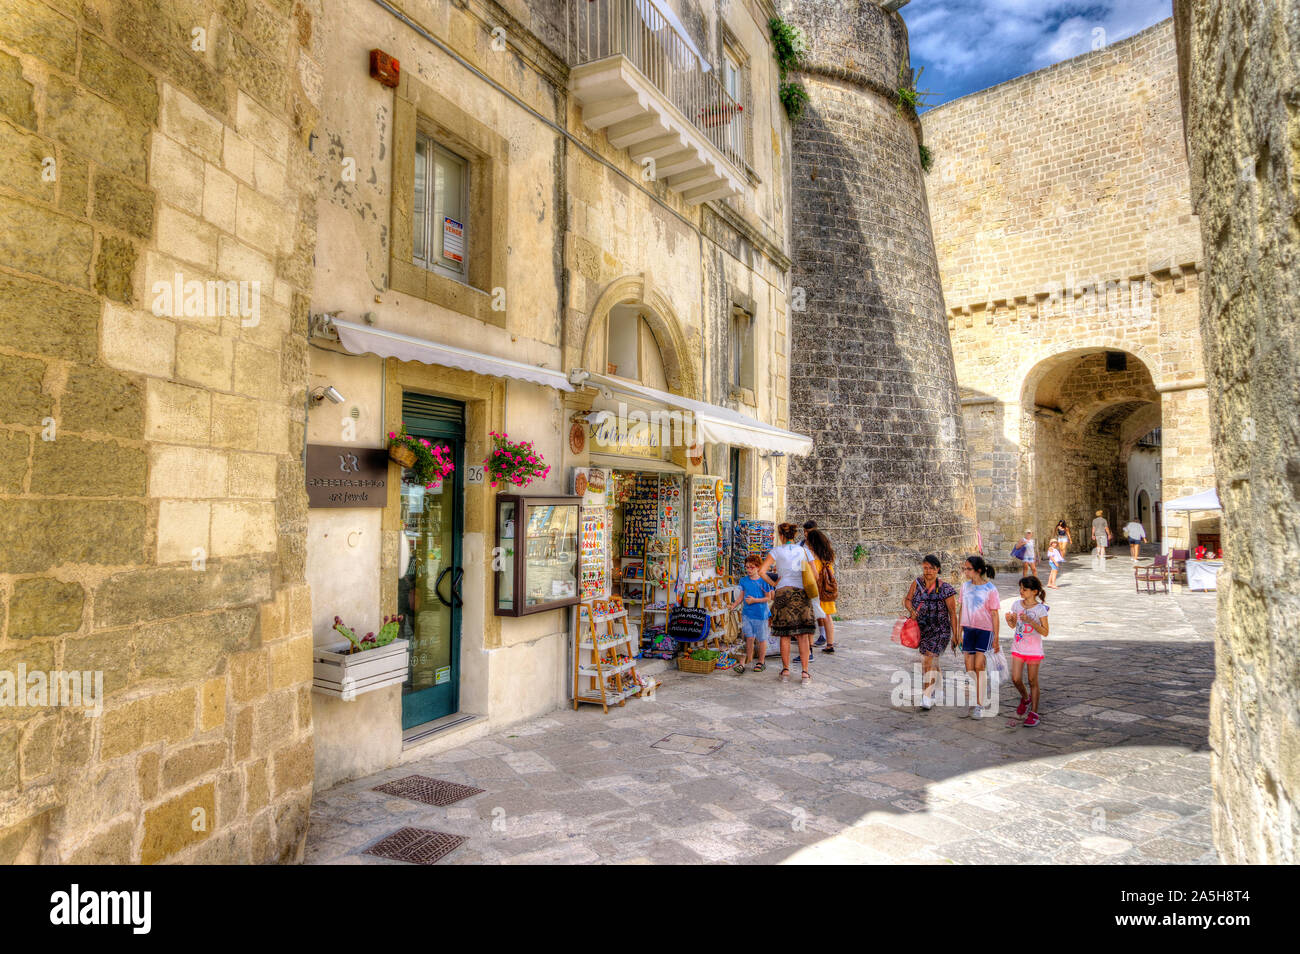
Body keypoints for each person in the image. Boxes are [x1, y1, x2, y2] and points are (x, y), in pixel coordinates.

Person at [759, 522, 818, 683]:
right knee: (803, 635)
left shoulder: (776, 551)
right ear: (794, 535)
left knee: (784, 634)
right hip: (801, 594)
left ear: (781, 536)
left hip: (783, 592)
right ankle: (805, 672)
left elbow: (761, 571)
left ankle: (785, 670)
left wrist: (774, 584)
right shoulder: (804, 551)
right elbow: (815, 575)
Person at [903, 555, 959, 710]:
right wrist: (911, 610)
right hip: (923, 630)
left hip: (940, 631)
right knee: (932, 662)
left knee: (928, 661)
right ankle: (938, 691)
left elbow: (953, 613)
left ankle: (927, 696)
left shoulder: (945, 589)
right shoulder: (917, 583)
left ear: (937, 569)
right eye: (925, 568)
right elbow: (907, 600)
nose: (928, 571)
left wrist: (956, 635)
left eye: (931, 568)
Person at [956, 555, 1000, 718]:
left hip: (985, 630)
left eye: (968, 569)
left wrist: (996, 637)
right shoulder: (965, 587)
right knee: (970, 667)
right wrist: (959, 631)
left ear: (978, 570)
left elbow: (994, 614)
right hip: (968, 630)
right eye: (964, 568)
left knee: (979, 666)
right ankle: (979, 693)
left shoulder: (990, 589)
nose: (965, 572)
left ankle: (979, 704)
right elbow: (961, 609)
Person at [1004, 575, 1050, 727]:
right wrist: (1009, 620)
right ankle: (1025, 697)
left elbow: (1045, 632)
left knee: (1032, 680)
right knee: (1016, 678)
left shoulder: (1040, 610)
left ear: (1034, 591)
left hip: (1034, 650)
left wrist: (1031, 621)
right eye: (1021, 588)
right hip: (1018, 647)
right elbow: (1013, 626)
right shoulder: (1017, 605)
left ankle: (1034, 712)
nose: (1021, 591)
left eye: (1025, 589)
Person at [730, 554, 773, 674]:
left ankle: (761, 661)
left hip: (761, 614)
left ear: (759, 567)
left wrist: (755, 600)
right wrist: (733, 606)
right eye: (747, 567)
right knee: (748, 638)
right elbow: (740, 597)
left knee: (761, 639)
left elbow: (768, 598)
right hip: (747, 614)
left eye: (752, 567)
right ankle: (746, 661)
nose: (749, 570)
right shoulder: (743, 580)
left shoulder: (764, 581)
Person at [805, 528, 838, 653]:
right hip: (826, 589)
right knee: (827, 617)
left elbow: (813, 575)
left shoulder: (811, 556)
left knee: (809, 617)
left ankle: (809, 646)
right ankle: (830, 644)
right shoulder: (827, 555)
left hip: (815, 589)